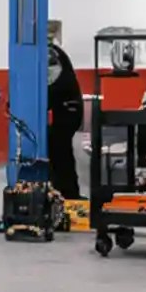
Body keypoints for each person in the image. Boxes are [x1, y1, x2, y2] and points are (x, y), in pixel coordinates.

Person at [47, 42, 83, 200]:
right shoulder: (52, 52)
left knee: (59, 148)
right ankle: (66, 191)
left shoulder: (50, 55)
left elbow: (54, 85)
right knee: (60, 149)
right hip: (67, 107)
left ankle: (68, 193)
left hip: (69, 108)